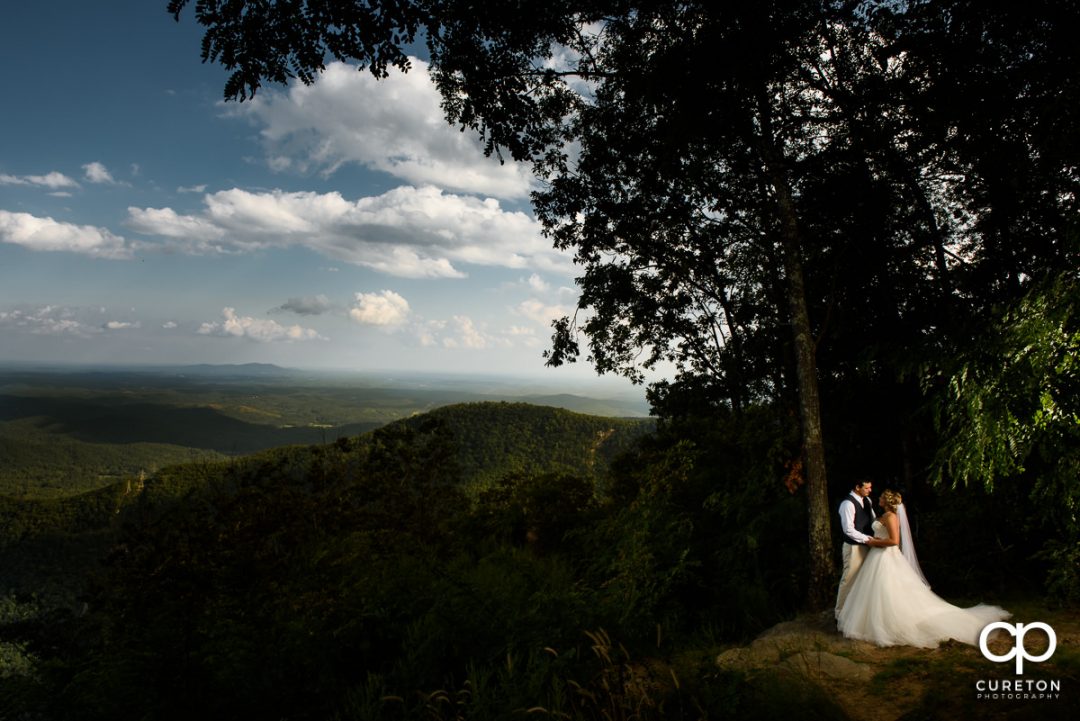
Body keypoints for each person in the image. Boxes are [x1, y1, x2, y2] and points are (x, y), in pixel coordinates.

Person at [836, 489, 1010, 647]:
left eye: (881, 497)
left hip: (885, 556)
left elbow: (895, 541)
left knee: (887, 591)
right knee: (875, 591)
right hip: (876, 557)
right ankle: (871, 622)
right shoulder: (884, 514)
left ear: (887, 501)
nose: (878, 497)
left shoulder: (890, 517)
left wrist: (874, 542)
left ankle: (890, 624)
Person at [835, 479, 885, 619]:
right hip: (854, 547)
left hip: (869, 545)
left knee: (865, 579)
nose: (870, 490)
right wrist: (869, 539)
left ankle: (857, 613)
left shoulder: (867, 500)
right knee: (849, 579)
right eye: (867, 488)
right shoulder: (847, 504)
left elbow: (873, 520)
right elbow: (848, 530)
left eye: (870, 487)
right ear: (857, 487)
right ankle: (839, 615)